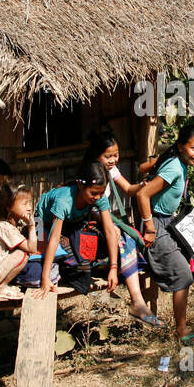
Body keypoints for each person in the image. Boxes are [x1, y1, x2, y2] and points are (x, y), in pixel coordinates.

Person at [134, 124, 194, 344]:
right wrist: (149, 227)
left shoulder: (175, 159)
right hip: (155, 223)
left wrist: (159, 161)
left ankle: (168, 260)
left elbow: (141, 167)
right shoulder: (175, 167)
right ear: (181, 146)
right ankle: (181, 330)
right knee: (184, 276)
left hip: (169, 221)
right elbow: (143, 195)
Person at [80, 129, 160, 325]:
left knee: (127, 236)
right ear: (96, 155)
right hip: (90, 222)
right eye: (108, 156)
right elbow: (89, 207)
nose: (113, 160)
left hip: (105, 219)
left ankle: (138, 301)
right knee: (124, 238)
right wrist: (109, 225)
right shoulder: (89, 172)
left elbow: (129, 189)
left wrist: (143, 186)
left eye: (116, 155)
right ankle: (137, 302)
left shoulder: (111, 170)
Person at [32, 162, 120, 298]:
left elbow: (109, 231)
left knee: (107, 244)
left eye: (101, 193)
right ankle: (60, 270)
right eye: (94, 193)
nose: (97, 197)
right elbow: (53, 238)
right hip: (43, 223)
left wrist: (113, 268)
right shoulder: (63, 202)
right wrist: (45, 277)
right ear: (80, 185)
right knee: (76, 269)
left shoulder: (99, 197)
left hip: (71, 223)